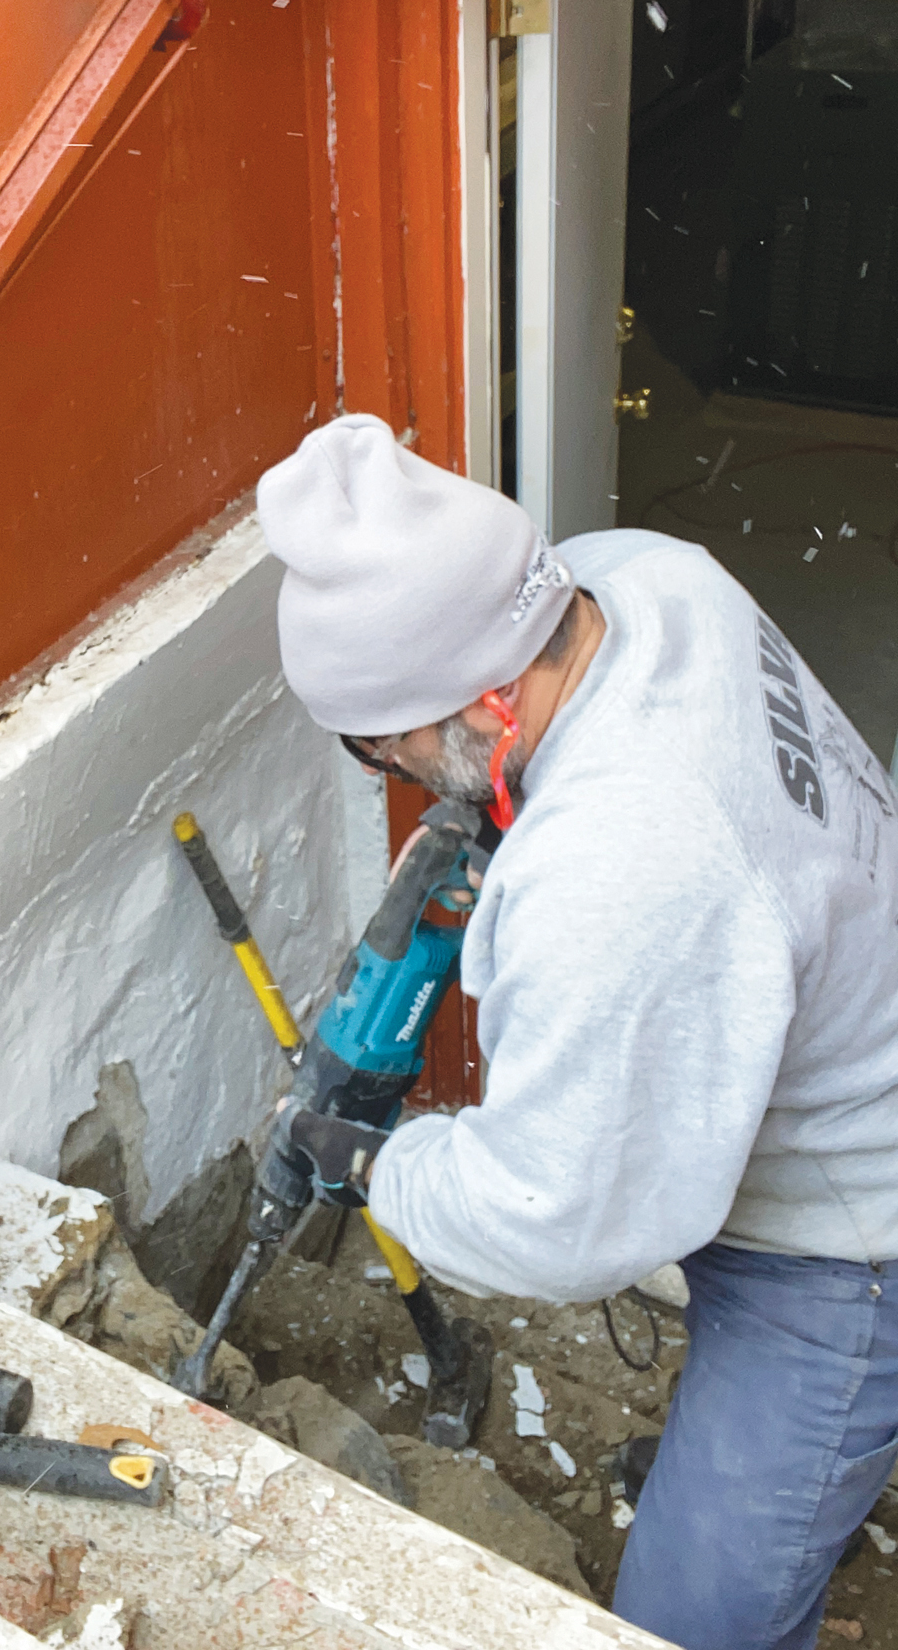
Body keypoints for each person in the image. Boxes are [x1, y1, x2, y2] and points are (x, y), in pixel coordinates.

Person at [255, 411, 898, 1650]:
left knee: (687, 1624)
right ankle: (756, 1461)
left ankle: (780, 1479)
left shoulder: (622, 870)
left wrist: (382, 1167)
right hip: (847, 1033)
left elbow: (561, 1219)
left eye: (385, 749)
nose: (393, 771)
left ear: (486, 703)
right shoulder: (644, 578)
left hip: (850, 1239)